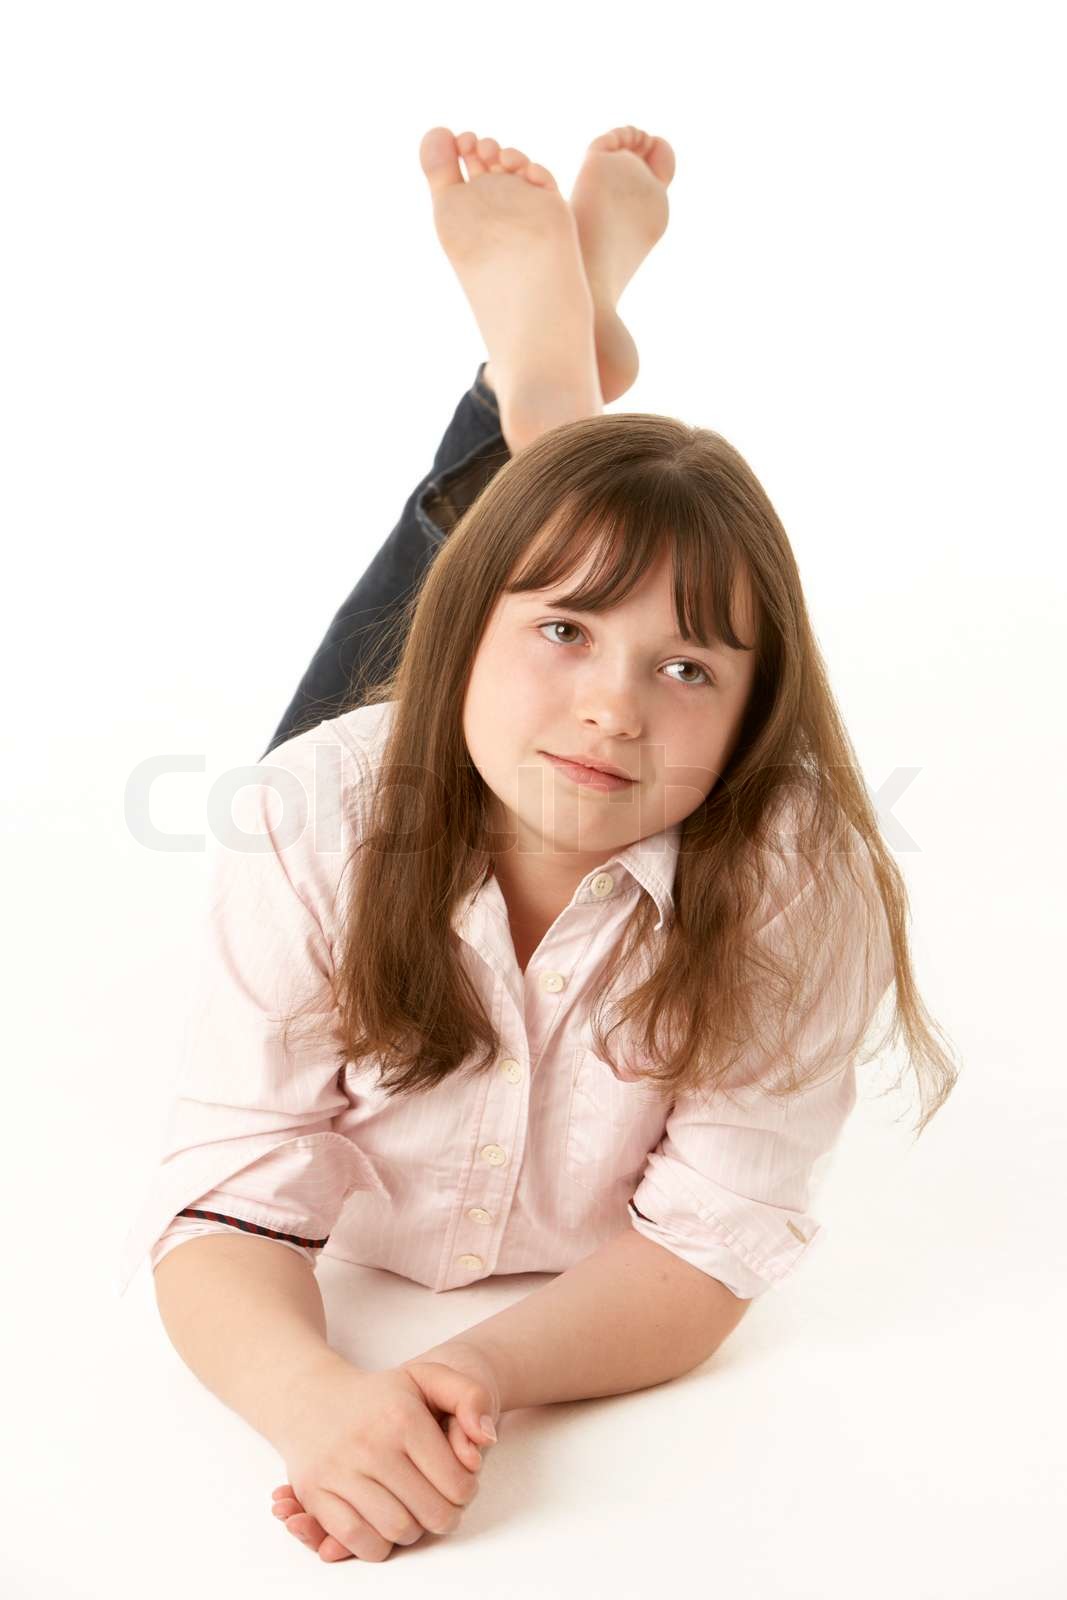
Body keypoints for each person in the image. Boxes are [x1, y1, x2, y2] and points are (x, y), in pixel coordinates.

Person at [121, 125, 958, 1565]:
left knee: (559, 552)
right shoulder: (315, 807)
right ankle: (544, 378)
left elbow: (709, 1243)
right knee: (479, 585)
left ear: (759, 714)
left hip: (482, 739)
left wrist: (479, 1375)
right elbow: (229, 1195)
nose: (612, 715)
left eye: (690, 670)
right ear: (470, 652)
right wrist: (313, 1404)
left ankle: (547, 381)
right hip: (409, 768)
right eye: (564, 638)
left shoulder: (797, 882)